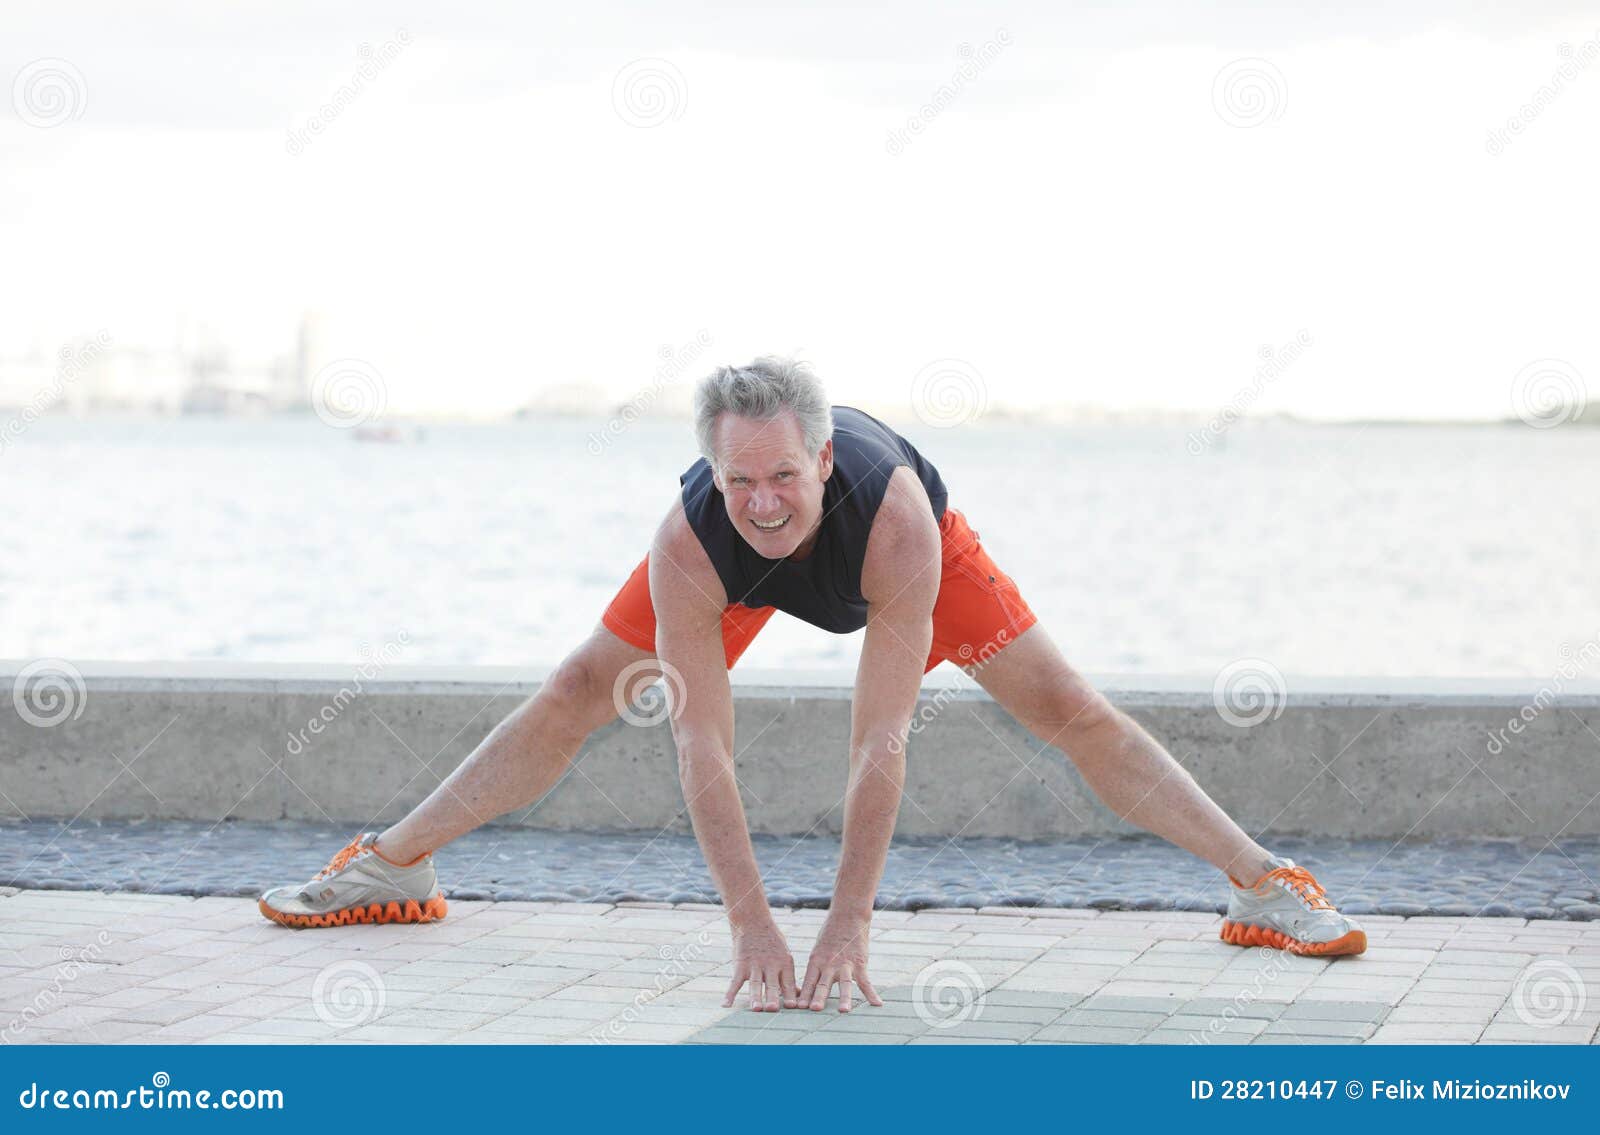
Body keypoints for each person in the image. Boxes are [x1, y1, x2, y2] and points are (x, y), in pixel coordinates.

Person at [260, 356, 1364, 1013]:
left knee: (1065, 705)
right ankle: (388, 867)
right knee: (576, 686)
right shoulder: (693, 543)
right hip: (725, 589)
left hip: (893, 564)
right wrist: (751, 927)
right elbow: (702, 751)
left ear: (823, 460)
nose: (765, 499)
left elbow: (878, 745)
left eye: (784, 474)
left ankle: (1264, 884)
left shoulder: (896, 523)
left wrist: (847, 922)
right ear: (713, 471)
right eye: (740, 479)